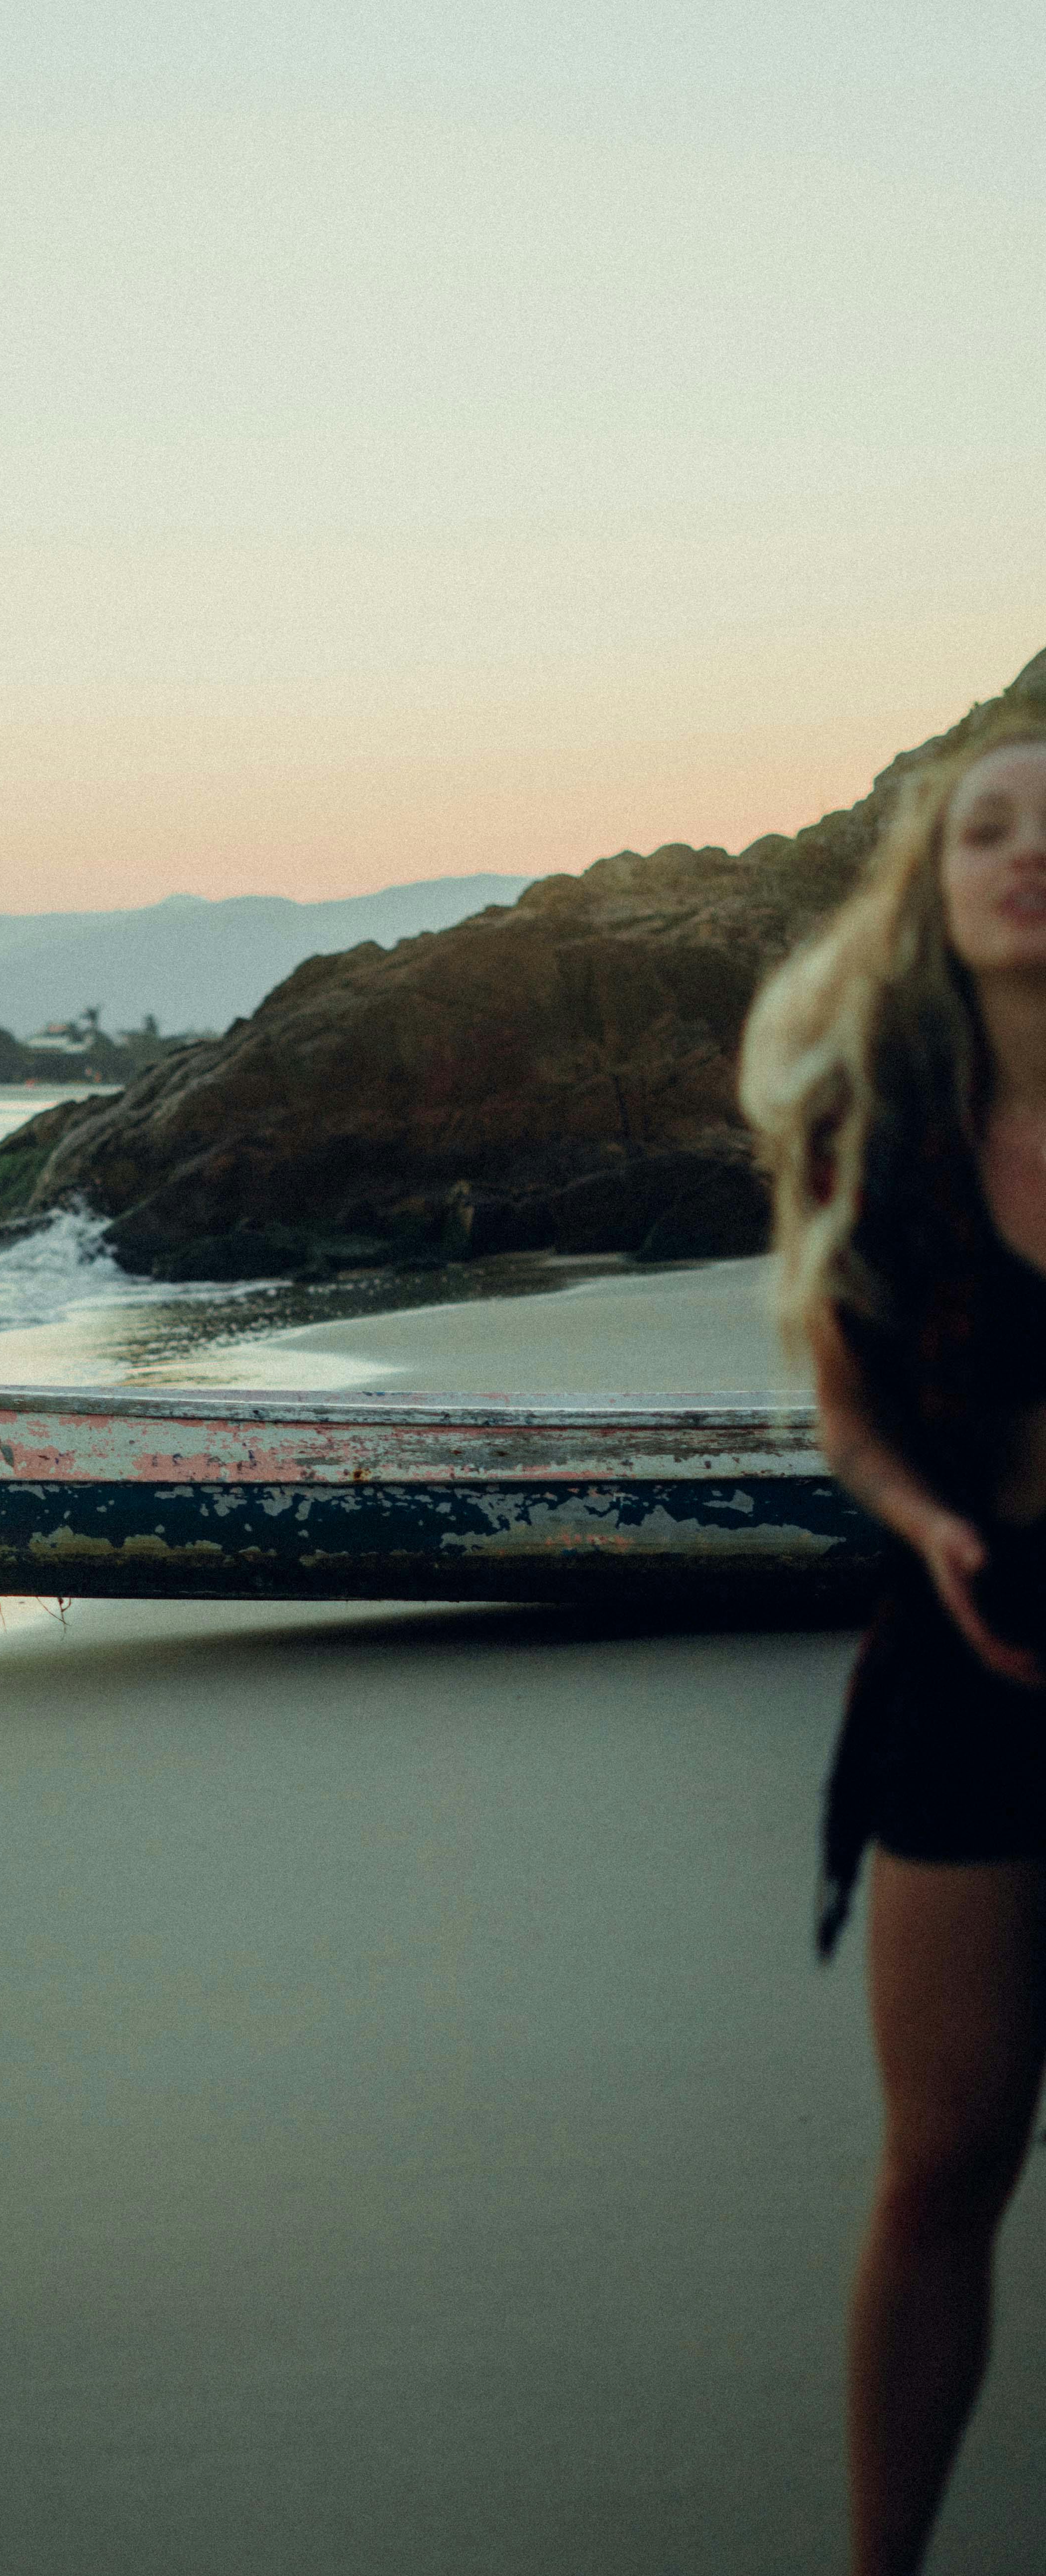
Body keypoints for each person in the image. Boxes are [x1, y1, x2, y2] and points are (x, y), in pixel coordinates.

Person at [740, 708, 1046, 2576]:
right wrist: (931, 1524)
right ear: (937, 893)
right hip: (967, 1655)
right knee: (944, 2169)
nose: (1031, 858)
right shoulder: (884, 1142)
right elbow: (848, 1415)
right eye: (989, 830)